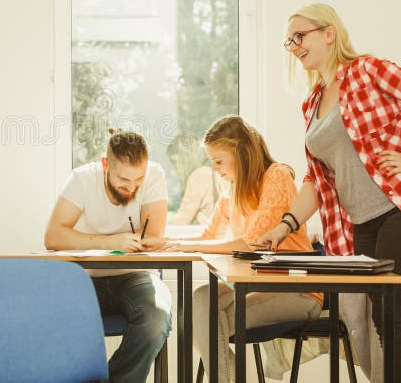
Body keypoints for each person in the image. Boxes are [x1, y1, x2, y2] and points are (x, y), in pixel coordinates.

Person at [258, 3, 401, 383]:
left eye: (300, 35)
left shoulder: (368, 71)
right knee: (396, 318)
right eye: (288, 40)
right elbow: (316, 178)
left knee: (392, 317)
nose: (293, 45)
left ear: (329, 33)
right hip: (362, 223)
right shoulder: (312, 102)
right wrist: (285, 224)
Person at [146, 116, 321, 382]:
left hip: (297, 291)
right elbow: (209, 234)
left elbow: (251, 242)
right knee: (199, 302)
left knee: (204, 321)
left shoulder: (277, 176)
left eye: (219, 161)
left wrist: (186, 245)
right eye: (212, 162)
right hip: (256, 286)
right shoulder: (233, 189)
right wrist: (164, 240)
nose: (215, 169)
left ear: (242, 153)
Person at [44, 129, 172, 383]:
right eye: (123, 179)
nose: (132, 187)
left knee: (156, 319)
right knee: (48, 316)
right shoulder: (82, 179)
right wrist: (111, 242)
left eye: (138, 179)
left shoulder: (154, 175)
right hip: (85, 279)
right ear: (105, 165)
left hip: (134, 277)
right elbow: (53, 237)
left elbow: (153, 236)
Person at [167, 132, 221, 225]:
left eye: (174, 161)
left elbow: (183, 219)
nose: (174, 167)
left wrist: (158, 220)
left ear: (183, 158)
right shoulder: (209, 172)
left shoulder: (199, 176)